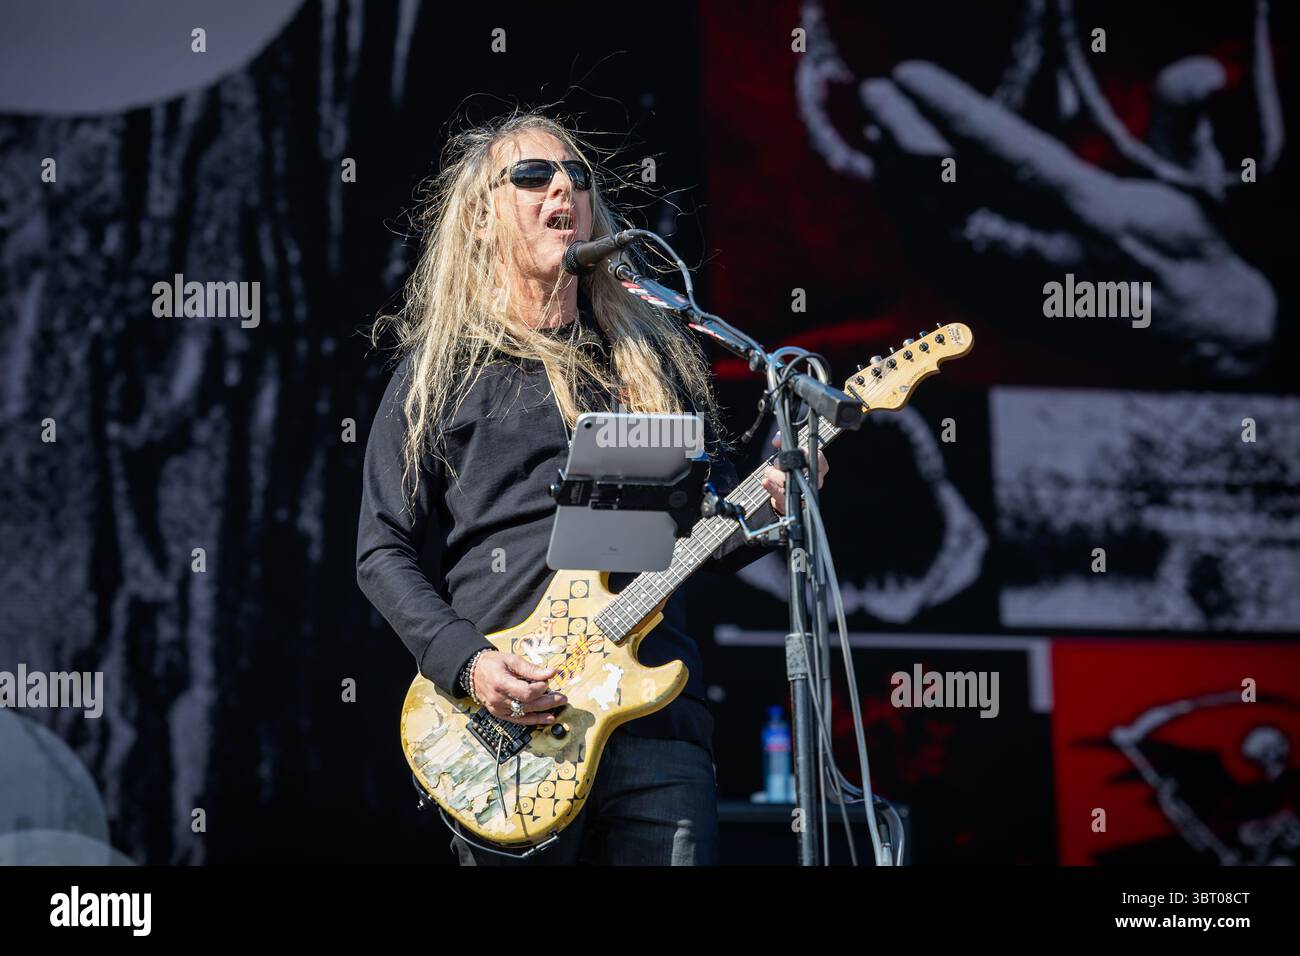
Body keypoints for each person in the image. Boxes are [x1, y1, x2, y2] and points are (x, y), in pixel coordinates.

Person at [356, 111, 828, 865]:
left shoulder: (648, 358)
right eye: (534, 175)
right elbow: (381, 550)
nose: (564, 188)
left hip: (656, 731)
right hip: (511, 726)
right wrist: (470, 664)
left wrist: (775, 492)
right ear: (479, 218)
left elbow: (714, 532)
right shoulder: (441, 370)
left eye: (577, 176)